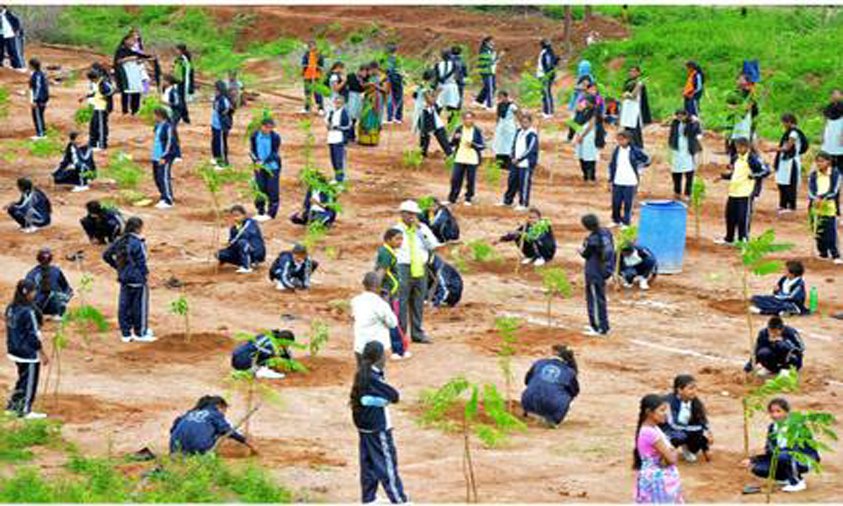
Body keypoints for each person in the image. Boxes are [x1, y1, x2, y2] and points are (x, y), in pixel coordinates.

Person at [349, 340, 409, 504]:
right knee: (386, 464)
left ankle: (369, 499)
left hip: (364, 427)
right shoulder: (373, 377)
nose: (386, 357)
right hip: (378, 427)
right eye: (384, 354)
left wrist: (374, 400)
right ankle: (399, 499)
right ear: (378, 358)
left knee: (368, 464)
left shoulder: (361, 373)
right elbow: (394, 395)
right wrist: (382, 400)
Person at [745, 398, 820, 493]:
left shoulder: (797, 426)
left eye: (778, 411)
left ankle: (797, 482)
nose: (775, 415)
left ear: (787, 412)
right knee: (758, 468)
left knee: (783, 455)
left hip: (804, 459)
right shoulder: (772, 428)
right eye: (772, 412)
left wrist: (779, 452)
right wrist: (753, 459)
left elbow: (795, 450)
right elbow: (770, 451)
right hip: (783, 457)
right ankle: (786, 478)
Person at [395, 200, 441, 344]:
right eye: (408, 213)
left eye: (414, 214)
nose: (411, 217)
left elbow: (433, 245)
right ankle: (401, 333)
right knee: (402, 301)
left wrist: (420, 229)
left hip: (420, 267)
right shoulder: (396, 230)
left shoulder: (423, 229)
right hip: (403, 267)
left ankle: (417, 332)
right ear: (401, 214)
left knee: (418, 301)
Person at [103, 217, 155, 343]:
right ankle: (140, 333)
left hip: (124, 277)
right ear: (138, 228)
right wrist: (145, 274)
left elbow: (106, 255)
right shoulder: (138, 242)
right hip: (137, 278)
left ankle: (126, 334)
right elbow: (142, 261)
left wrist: (118, 267)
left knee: (124, 305)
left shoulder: (120, 240)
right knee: (139, 306)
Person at [5, 279, 49, 419]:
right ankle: (25, 410)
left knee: (22, 379)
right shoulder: (28, 311)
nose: (35, 293)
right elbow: (33, 335)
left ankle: (12, 406)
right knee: (30, 381)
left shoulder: (11, 307)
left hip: (13, 349)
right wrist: (42, 353)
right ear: (27, 293)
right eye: (33, 291)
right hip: (27, 352)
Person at [717, 137, 770, 245]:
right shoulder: (736, 158)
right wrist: (723, 176)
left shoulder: (753, 158)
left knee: (743, 217)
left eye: (740, 147)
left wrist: (754, 176)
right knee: (730, 215)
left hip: (746, 192)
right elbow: (735, 174)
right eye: (737, 147)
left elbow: (766, 171)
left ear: (747, 147)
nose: (738, 149)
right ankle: (729, 238)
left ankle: (743, 239)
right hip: (733, 191)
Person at [633, 394, 684, 503]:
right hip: (657, 480)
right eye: (661, 410)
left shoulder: (651, 428)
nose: (665, 414)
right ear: (649, 412)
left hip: (651, 477)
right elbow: (671, 459)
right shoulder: (651, 432)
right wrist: (672, 452)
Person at [169, 395, 255, 456]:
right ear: (219, 406)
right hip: (198, 449)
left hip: (175, 449)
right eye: (224, 410)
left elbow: (173, 429)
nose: (224, 414)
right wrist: (244, 440)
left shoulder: (190, 413)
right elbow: (226, 430)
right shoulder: (214, 413)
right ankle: (204, 454)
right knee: (218, 433)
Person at [521, 344, 580, 428]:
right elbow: (575, 392)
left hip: (528, 401)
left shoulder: (539, 362)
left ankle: (529, 412)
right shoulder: (569, 371)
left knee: (535, 385)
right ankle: (554, 418)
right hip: (552, 405)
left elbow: (526, 381)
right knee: (567, 392)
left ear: (553, 353)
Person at [374, 229, 409, 359]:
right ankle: (398, 350)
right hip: (387, 292)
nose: (400, 242)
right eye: (397, 239)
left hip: (390, 291)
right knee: (392, 320)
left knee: (392, 320)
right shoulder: (386, 253)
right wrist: (375, 290)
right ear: (388, 240)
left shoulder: (388, 251)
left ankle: (399, 348)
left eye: (401, 239)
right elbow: (381, 272)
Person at [662, 374, 712, 464]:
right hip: (668, 431)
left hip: (686, 429)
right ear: (679, 390)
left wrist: (708, 433)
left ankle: (688, 448)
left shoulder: (695, 402)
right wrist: (697, 429)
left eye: (695, 388)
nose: (694, 391)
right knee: (679, 436)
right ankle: (664, 450)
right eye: (690, 388)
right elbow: (673, 424)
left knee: (700, 437)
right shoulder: (668, 402)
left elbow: (703, 419)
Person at [578, 214, 614, 336]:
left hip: (594, 271)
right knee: (600, 298)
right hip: (605, 269)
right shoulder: (606, 232)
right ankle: (603, 325)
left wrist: (580, 250)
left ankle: (599, 328)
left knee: (594, 299)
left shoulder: (592, 239)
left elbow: (585, 253)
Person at [352, 272, 399, 363]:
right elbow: (393, 323)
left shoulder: (355, 301)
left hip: (360, 346)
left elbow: (354, 317)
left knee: (362, 374)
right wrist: (385, 302)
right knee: (376, 374)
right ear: (378, 286)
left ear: (364, 285)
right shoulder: (381, 304)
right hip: (377, 348)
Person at [608, 130, 651, 228]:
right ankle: (616, 220)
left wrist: (639, 167)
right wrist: (610, 179)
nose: (619, 142)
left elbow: (647, 160)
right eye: (618, 140)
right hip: (618, 179)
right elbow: (612, 165)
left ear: (628, 140)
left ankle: (626, 222)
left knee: (628, 203)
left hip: (630, 181)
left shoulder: (635, 150)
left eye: (622, 140)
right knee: (616, 202)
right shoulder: (616, 150)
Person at [807, 152, 841, 263]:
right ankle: (823, 252)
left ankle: (835, 254)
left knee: (830, 231)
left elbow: (834, 191)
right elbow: (810, 190)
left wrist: (822, 198)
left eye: (822, 161)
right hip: (815, 206)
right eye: (818, 161)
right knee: (818, 231)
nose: (819, 164)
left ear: (828, 162)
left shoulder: (836, 174)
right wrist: (815, 198)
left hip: (829, 207)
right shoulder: (813, 175)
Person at [447, 111, 485, 206]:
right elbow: (452, 143)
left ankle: (468, 198)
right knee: (455, 179)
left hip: (472, 159)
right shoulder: (459, 129)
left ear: (473, 120)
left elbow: (482, 146)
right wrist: (455, 138)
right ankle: (452, 198)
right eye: (466, 118)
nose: (468, 120)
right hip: (460, 157)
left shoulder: (477, 131)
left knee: (470, 180)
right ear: (463, 120)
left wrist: (473, 145)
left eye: (470, 118)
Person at [772, 114, 807, 213]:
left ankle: (791, 206)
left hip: (791, 162)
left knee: (790, 184)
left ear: (790, 122)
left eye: (784, 122)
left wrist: (773, 149)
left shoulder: (794, 133)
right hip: (784, 161)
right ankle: (783, 204)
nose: (783, 124)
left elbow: (787, 147)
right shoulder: (789, 132)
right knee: (782, 183)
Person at [24, 248, 73, 320]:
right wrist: (65, 297)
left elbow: (25, 292)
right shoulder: (56, 271)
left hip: (38, 307)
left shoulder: (32, 273)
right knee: (59, 294)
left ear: (38, 259)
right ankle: (57, 313)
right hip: (50, 306)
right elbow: (66, 288)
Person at [503, 112, 539, 210]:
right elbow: (514, 144)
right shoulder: (519, 131)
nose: (524, 124)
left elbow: (530, 149)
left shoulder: (532, 134)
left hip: (525, 163)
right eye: (522, 122)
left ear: (530, 123)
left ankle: (523, 203)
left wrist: (519, 159)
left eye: (526, 122)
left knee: (524, 183)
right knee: (512, 181)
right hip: (515, 162)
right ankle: (507, 200)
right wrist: (512, 155)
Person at [216, 205, 266, 274]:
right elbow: (232, 243)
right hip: (242, 250)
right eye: (233, 216)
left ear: (244, 215)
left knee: (242, 242)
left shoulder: (250, 223)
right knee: (220, 254)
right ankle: (245, 262)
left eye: (237, 215)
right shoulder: (234, 228)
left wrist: (231, 243)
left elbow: (244, 235)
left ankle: (247, 266)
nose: (235, 218)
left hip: (255, 251)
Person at [250, 118, 282, 221]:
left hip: (272, 167)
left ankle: (271, 213)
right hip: (259, 167)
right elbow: (252, 150)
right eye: (267, 127)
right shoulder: (255, 135)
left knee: (272, 189)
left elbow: (274, 153)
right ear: (262, 126)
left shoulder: (275, 137)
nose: (269, 130)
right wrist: (256, 161)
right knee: (260, 188)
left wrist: (264, 162)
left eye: (271, 128)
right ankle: (260, 211)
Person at [668, 109, 703, 200]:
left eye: (682, 116)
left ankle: (688, 193)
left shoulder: (692, 123)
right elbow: (671, 134)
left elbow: (694, 132)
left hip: (688, 149)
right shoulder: (675, 123)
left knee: (689, 172)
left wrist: (695, 122)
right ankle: (677, 191)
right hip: (677, 149)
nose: (680, 118)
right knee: (676, 171)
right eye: (678, 115)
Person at [113, 34, 150, 115]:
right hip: (126, 73)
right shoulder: (121, 50)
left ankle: (135, 110)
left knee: (136, 91)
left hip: (135, 73)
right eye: (131, 40)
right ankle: (125, 110)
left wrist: (141, 60)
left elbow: (140, 58)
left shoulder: (134, 50)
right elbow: (118, 61)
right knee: (126, 92)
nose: (133, 42)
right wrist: (129, 58)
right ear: (125, 40)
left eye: (134, 40)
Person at [151, 108, 179, 209]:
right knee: (157, 178)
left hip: (164, 157)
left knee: (164, 177)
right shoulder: (158, 126)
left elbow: (169, 143)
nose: (153, 117)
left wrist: (165, 156)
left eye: (154, 115)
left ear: (160, 115)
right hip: (156, 156)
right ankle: (163, 195)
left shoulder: (168, 127)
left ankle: (168, 199)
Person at [573, 95, 604, 183]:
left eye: (588, 102)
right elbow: (576, 123)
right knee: (581, 155)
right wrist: (578, 135)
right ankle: (585, 175)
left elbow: (591, 125)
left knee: (590, 156)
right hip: (581, 134)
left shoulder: (595, 111)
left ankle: (591, 176)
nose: (586, 103)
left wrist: (582, 136)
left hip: (590, 136)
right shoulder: (583, 111)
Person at [619, 66, 652, 148]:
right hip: (627, 109)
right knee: (627, 129)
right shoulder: (628, 82)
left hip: (635, 110)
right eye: (630, 71)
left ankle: (637, 148)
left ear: (638, 73)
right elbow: (624, 95)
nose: (632, 73)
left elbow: (634, 96)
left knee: (635, 130)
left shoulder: (640, 83)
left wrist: (638, 86)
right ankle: (628, 146)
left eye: (634, 71)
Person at [82, 69, 113, 151]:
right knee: (93, 126)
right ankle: (93, 143)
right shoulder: (97, 83)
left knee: (101, 127)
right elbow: (95, 92)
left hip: (102, 108)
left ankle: (102, 145)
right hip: (97, 107)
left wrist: (104, 96)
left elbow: (110, 91)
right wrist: (87, 96)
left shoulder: (103, 83)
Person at [326, 95, 352, 182]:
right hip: (331, 137)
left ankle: (340, 177)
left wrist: (339, 128)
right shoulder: (332, 112)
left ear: (343, 103)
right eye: (336, 102)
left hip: (339, 138)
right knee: (333, 158)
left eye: (340, 103)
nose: (337, 104)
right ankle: (336, 175)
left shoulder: (344, 113)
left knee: (339, 159)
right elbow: (328, 124)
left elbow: (348, 126)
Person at [419, 91, 451, 158]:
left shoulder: (427, 87)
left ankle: (422, 152)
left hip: (428, 111)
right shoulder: (424, 88)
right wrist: (438, 92)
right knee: (430, 132)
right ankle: (449, 152)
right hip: (425, 112)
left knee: (426, 133)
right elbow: (431, 101)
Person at [492, 91, 518, 173]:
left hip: (509, 126)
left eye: (501, 97)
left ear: (506, 97)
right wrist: (497, 126)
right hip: (501, 126)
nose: (500, 99)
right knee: (499, 144)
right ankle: (499, 163)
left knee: (509, 144)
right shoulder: (499, 105)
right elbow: (497, 116)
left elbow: (518, 114)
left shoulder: (512, 106)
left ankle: (508, 164)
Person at [211, 80, 233, 167]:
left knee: (221, 144)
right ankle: (217, 158)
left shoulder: (223, 99)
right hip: (215, 124)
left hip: (221, 125)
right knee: (215, 142)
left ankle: (223, 163)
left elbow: (224, 110)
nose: (214, 91)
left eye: (215, 89)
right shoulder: (217, 98)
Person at [474, 36, 500, 110]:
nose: (493, 43)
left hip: (490, 71)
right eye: (491, 41)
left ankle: (479, 101)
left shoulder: (490, 50)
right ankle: (489, 105)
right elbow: (486, 62)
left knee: (489, 87)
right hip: (487, 71)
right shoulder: (485, 51)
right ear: (487, 42)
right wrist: (495, 60)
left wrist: (497, 58)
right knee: (490, 88)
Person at [301, 40, 325, 115]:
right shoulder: (306, 55)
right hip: (307, 76)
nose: (311, 48)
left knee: (317, 93)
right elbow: (303, 64)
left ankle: (320, 108)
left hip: (316, 76)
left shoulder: (319, 55)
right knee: (307, 93)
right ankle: (306, 108)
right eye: (310, 46)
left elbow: (321, 65)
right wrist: (304, 69)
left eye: (313, 46)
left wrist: (318, 68)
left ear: (315, 46)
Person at [536, 39, 559, 118]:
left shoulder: (546, 53)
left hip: (544, 76)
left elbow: (548, 65)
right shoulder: (548, 52)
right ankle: (545, 111)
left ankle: (549, 112)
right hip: (543, 75)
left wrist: (547, 75)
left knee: (546, 93)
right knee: (544, 93)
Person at [434, 48, 460, 117]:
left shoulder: (437, 65)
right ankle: (451, 126)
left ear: (442, 56)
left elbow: (436, 78)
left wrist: (434, 89)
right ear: (450, 55)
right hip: (451, 87)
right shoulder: (455, 65)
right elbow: (457, 77)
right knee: (452, 107)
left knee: (438, 107)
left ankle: (436, 125)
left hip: (440, 87)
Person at [346, 64, 368, 142]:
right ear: (360, 71)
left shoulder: (365, 79)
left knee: (356, 115)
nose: (365, 74)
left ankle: (352, 134)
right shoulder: (351, 76)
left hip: (359, 97)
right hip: (352, 95)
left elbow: (364, 88)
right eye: (364, 72)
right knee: (351, 114)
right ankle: (349, 134)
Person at [821, 89, 842, 171]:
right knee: (829, 156)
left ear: (841, 95)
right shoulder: (828, 107)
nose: (834, 95)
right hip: (829, 134)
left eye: (836, 93)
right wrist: (822, 134)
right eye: (832, 94)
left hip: (839, 134)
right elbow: (825, 122)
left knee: (840, 156)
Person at [173, 44, 194, 121]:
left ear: (181, 50)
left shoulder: (182, 60)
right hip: (181, 81)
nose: (176, 51)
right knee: (181, 100)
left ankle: (183, 116)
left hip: (181, 81)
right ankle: (185, 117)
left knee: (180, 100)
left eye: (177, 50)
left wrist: (176, 79)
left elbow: (180, 71)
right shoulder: (183, 59)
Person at [28, 58, 48, 139]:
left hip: (39, 99)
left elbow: (38, 88)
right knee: (38, 116)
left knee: (38, 116)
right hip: (41, 99)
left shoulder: (38, 75)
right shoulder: (38, 74)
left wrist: (35, 100)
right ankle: (42, 132)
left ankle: (41, 134)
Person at [384, 44, 404, 124]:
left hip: (390, 80)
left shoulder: (386, 60)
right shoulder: (398, 59)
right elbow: (400, 70)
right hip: (398, 80)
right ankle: (398, 117)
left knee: (390, 98)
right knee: (399, 98)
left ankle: (390, 117)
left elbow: (385, 70)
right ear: (396, 51)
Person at [0, 6, 24, 71]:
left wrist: (16, 31)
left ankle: (18, 67)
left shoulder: (10, 14)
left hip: (10, 35)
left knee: (13, 51)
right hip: (1, 35)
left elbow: (17, 22)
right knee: (0, 51)